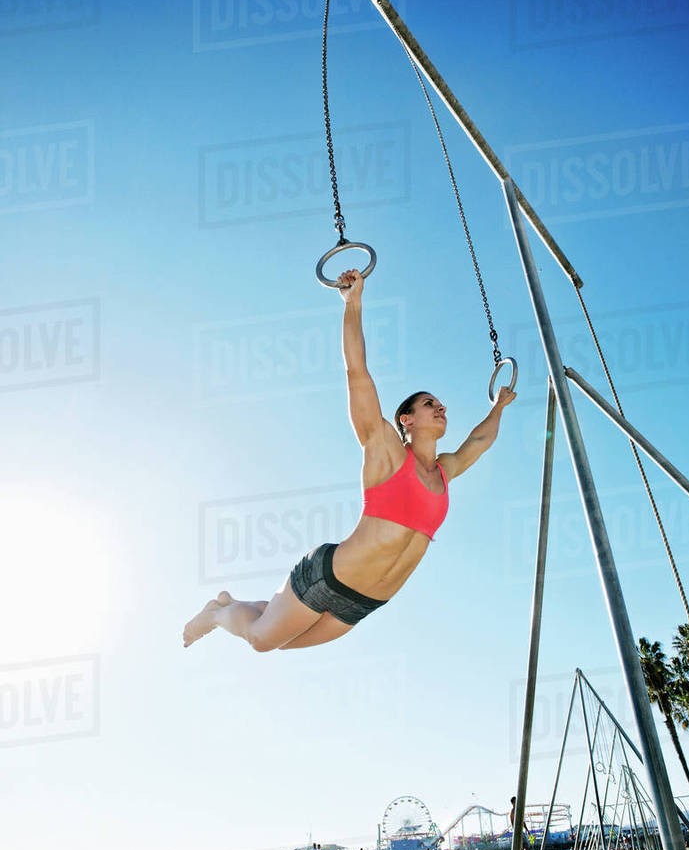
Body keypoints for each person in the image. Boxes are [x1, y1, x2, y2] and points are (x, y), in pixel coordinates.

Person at [183, 268, 516, 653]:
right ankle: (217, 613)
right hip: (327, 577)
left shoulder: (444, 471)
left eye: (441, 404)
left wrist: (500, 407)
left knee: (281, 639)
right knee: (261, 640)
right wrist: (353, 303)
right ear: (405, 420)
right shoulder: (386, 450)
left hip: (361, 604)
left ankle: (234, 605)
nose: (441, 407)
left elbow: (479, 441)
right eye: (430, 404)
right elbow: (357, 373)